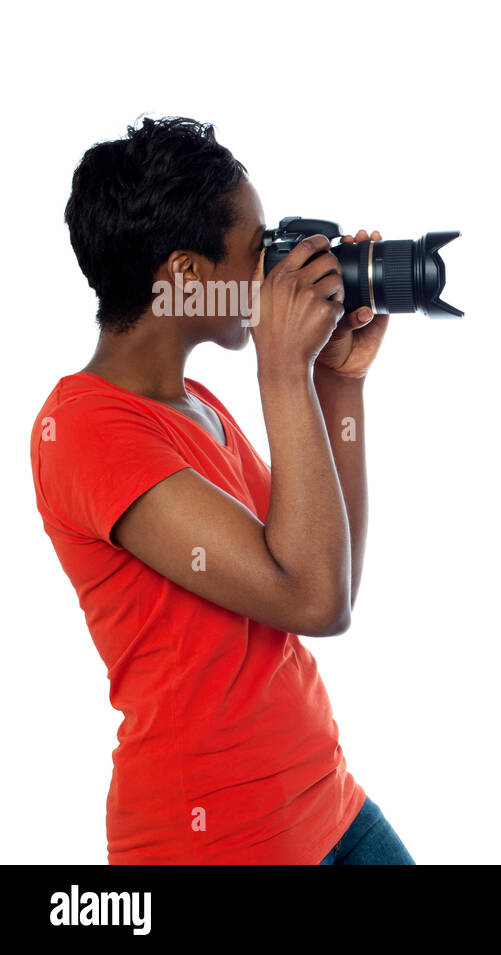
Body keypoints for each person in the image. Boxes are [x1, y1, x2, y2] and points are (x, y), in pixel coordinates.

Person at [30, 116, 413, 864]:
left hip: (327, 799)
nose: (275, 275)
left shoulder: (199, 404)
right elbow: (315, 601)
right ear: (183, 273)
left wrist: (338, 381)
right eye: (257, 250)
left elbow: (330, 571)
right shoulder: (84, 428)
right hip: (219, 839)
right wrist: (281, 370)